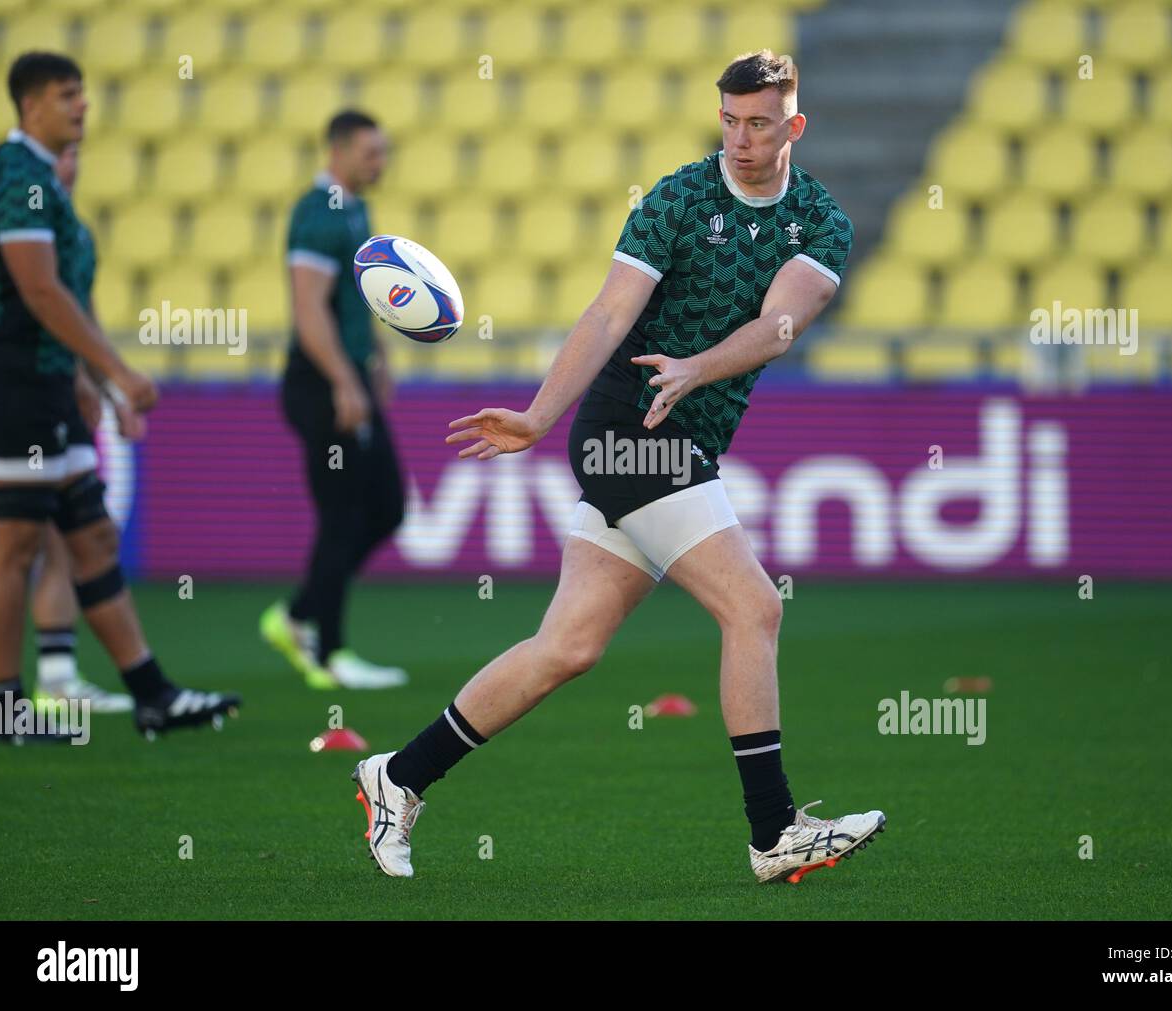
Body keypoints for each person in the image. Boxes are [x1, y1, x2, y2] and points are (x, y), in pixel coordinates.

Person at [351, 51, 885, 884]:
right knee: (753, 608)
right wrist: (536, 415)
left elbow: (781, 325)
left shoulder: (820, 221)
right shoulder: (676, 199)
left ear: (793, 126)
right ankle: (775, 831)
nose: (741, 140)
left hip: (689, 429)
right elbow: (608, 315)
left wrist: (697, 366)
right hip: (625, 429)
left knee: (566, 647)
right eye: (730, 120)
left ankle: (398, 775)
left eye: (759, 124)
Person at [0, 52, 240, 741]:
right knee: (13, 546)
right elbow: (38, 290)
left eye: (84, 95)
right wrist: (120, 373)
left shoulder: (44, 181)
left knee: (92, 534)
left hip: (48, 387)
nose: (83, 107)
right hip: (11, 383)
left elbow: (63, 296)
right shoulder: (17, 176)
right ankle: (0, 706)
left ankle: (151, 692)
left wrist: (97, 382)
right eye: (69, 95)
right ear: (31, 104)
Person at [259, 110, 408, 691]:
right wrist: (346, 382)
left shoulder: (356, 211)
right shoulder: (316, 214)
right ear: (339, 151)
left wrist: (375, 359)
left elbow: (358, 294)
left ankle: (299, 617)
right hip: (320, 383)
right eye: (372, 153)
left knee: (388, 505)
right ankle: (328, 649)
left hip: (349, 377)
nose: (381, 164)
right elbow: (308, 308)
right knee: (342, 515)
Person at [30, 140, 143, 715]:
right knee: (32, 543)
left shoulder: (73, 234)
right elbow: (39, 313)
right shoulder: (23, 232)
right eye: (60, 154)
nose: (68, 164)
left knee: (62, 542)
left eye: (74, 154)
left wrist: (110, 389)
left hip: (54, 400)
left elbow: (84, 323)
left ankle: (54, 676)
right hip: (22, 399)